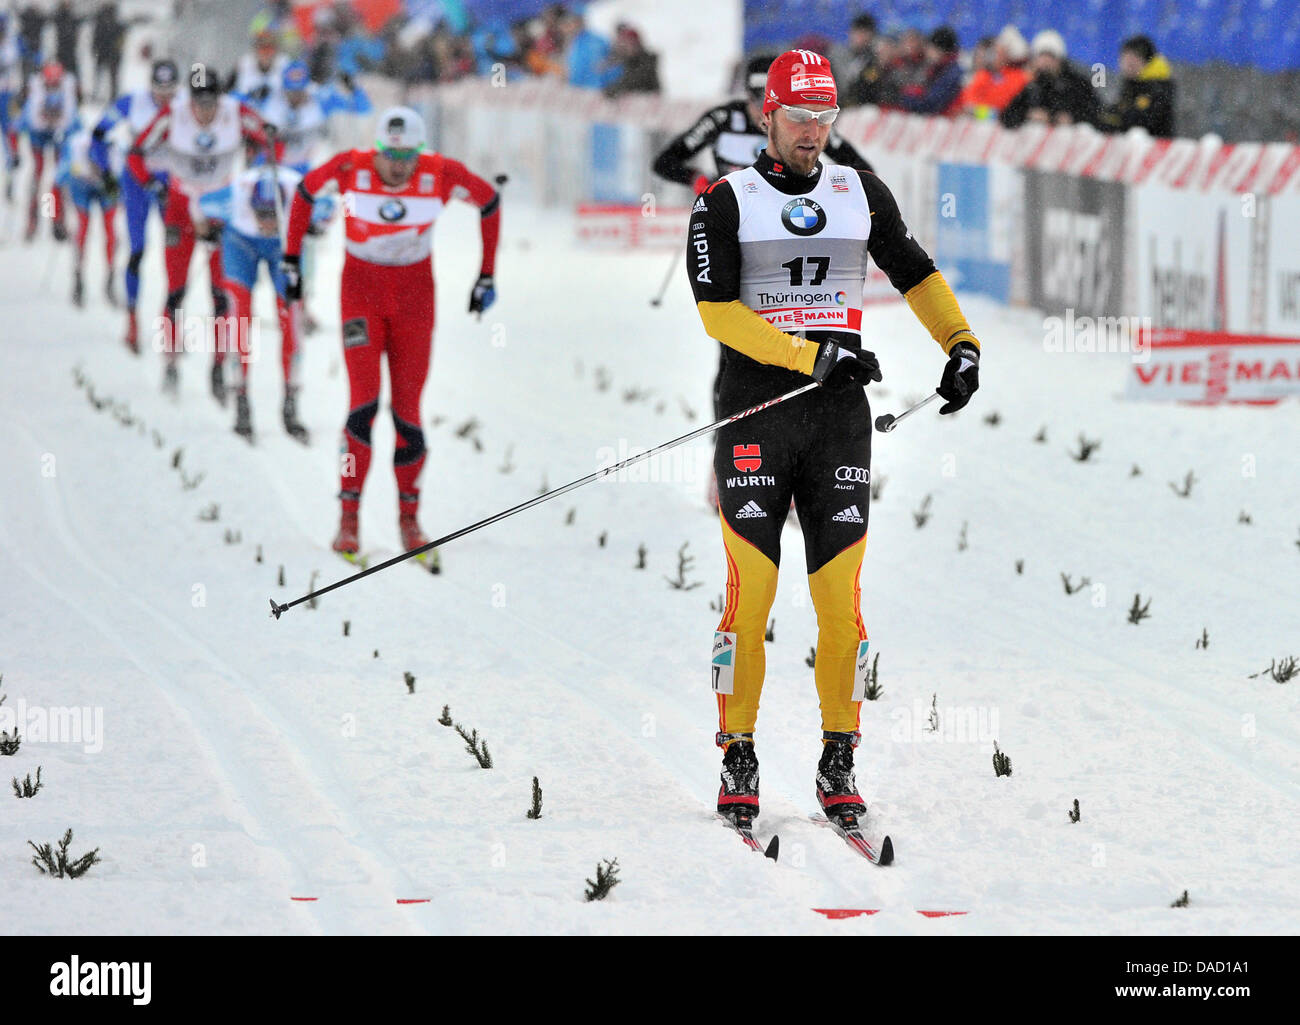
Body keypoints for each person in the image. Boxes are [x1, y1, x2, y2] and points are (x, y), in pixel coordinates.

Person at [686, 50, 980, 834]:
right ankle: (737, 750)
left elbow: (915, 273)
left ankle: (838, 757)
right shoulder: (725, 200)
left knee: (840, 609)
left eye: (827, 118)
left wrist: (960, 343)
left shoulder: (859, 192)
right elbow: (718, 313)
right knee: (751, 601)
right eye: (801, 117)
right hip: (756, 418)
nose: (814, 132)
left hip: (837, 425)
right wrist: (810, 354)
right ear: (767, 115)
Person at [281, 106, 501, 565]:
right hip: (361, 294)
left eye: (408, 155)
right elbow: (303, 193)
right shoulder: (350, 167)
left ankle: (410, 520)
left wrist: (485, 276)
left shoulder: (439, 173)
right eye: (391, 155)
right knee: (363, 404)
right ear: (376, 149)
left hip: (415, 298)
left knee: (407, 410)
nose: (399, 165)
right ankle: (348, 519)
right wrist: (289, 258)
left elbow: (489, 201)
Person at [654, 52, 874, 426]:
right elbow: (665, 160)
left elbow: (861, 169)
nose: (759, 106)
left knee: (796, 325)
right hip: (735, 232)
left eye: (765, 96)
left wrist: (825, 194)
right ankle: (726, 432)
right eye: (753, 96)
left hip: (789, 235)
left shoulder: (800, 119)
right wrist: (700, 181)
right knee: (732, 339)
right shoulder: (724, 119)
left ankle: (800, 424)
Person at [128, 64, 268, 398]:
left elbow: (266, 139)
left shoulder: (237, 112)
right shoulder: (172, 114)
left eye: (211, 102)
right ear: (189, 99)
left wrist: (253, 164)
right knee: (176, 288)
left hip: (221, 207)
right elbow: (136, 153)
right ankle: (171, 362)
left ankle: (219, 366)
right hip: (180, 207)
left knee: (221, 293)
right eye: (199, 102)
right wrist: (153, 185)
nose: (205, 110)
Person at [261, 58, 370, 331]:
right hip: (274, 179)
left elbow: (363, 107)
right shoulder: (269, 99)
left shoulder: (320, 98)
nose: (296, 97)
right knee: (275, 241)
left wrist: (352, 87)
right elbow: (233, 105)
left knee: (306, 241)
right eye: (290, 91)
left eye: (300, 91)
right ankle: (280, 300)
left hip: (307, 179)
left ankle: (302, 303)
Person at [217, 162, 307, 442]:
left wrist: (316, 224)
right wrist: (206, 227)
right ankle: (241, 397)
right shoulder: (235, 193)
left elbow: (332, 206)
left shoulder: (299, 189)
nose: (267, 222)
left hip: (284, 244)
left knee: (292, 315)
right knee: (240, 315)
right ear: (251, 205)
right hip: (240, 241)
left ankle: (291, 399)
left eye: (272, 215)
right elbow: (201, 203)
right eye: (262, 214)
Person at [94, 57, 179, 352]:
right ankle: (131, 319)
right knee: (138, 250)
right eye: (159, 89)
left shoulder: (183, 105)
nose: (164, 95)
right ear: (150, 85)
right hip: (137, 183)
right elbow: (98, 133)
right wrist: (105, 171)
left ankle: (170, 326)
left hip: (169, 184)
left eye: (170, 89)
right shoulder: (133, 102)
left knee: (174, 255)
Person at [55, 121, 117, 306]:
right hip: (80, 186)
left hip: (105, 186)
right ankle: (78, 276)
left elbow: (127, 183)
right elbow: (56, 184)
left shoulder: (114, 153)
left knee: (110, 230)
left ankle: (110, 277)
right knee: (83, 228)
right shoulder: (74, 153)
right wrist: (56, 218)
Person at [19, 61, 79, 242]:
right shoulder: (36, 87)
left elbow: (70, 117)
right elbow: (32, 119)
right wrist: (48, 122)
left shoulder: (68, 85)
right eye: (49, 84)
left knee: (57, 177)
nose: (53, 87)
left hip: (60, 134)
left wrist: (56, 124)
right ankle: (33, 220)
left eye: (56, 84)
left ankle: (56, 219)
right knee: (39, 176)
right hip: (38, 135)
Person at [1000, 30, 1099, 129]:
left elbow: (1096, 112)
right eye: (1041, 56)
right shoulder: (1032, 86)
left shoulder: (1077, 84)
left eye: (1050, 56)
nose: (1046, 62)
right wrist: (1028, 114)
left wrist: (1073, 118)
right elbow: (1007, 116)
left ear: (1059, 59)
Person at [1099, 35, 1175, 137]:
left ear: (1146, 61)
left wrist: (1115, 120)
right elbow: (1118, 111)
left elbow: (1142, 121)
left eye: (1132, 61)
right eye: (1124, 60)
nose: (1126, 65)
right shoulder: (1132, 84)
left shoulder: (1157, 87)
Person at [957, 25, 1029, 119]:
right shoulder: (983, 74)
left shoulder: (1018, 77)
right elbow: (968, 101)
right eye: (994, 52)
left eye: (999, 53)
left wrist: (981, 112)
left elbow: (1001, 109)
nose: (993, 56)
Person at [900, 25, 963, 115]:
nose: (927, 52)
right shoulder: (938, 68)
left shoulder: (951, 73)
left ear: (940, 50)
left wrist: (907, 97)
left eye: (930, 48)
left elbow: (931, 105)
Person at [91, 2, 127, 101]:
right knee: (102, 75)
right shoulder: (103, 22)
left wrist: (117, 49)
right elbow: (97, 36)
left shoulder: (116, 23)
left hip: (111, 53)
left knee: (111, 77)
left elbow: (121, 39)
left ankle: (112, 95)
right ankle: (100, 94)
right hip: (105, 52)